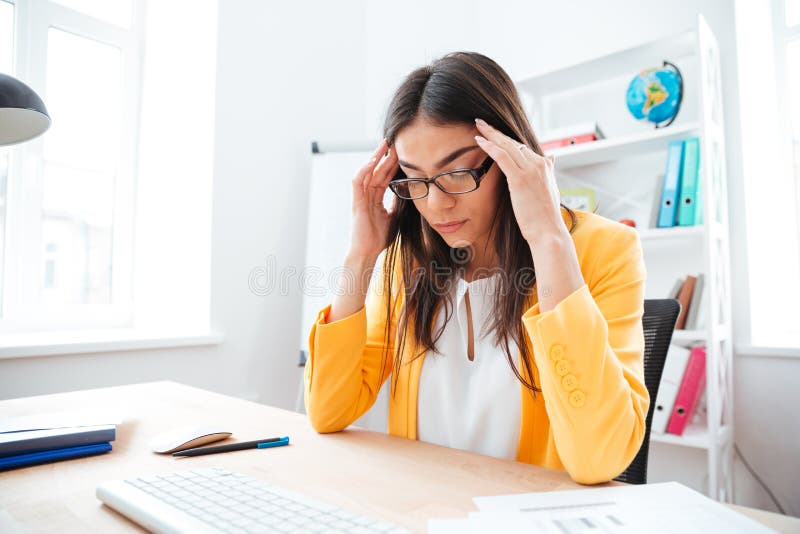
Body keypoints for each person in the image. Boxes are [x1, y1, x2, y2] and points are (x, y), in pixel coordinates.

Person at [303, 51, 648, 485]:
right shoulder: (405, 261)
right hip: (424, 508)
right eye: (415, 179)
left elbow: (599, 458)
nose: (436, 204)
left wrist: (548, 241)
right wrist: (360, 256)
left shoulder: (605, 250)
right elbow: (327, 411)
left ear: (509, 157)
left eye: (458, 172)